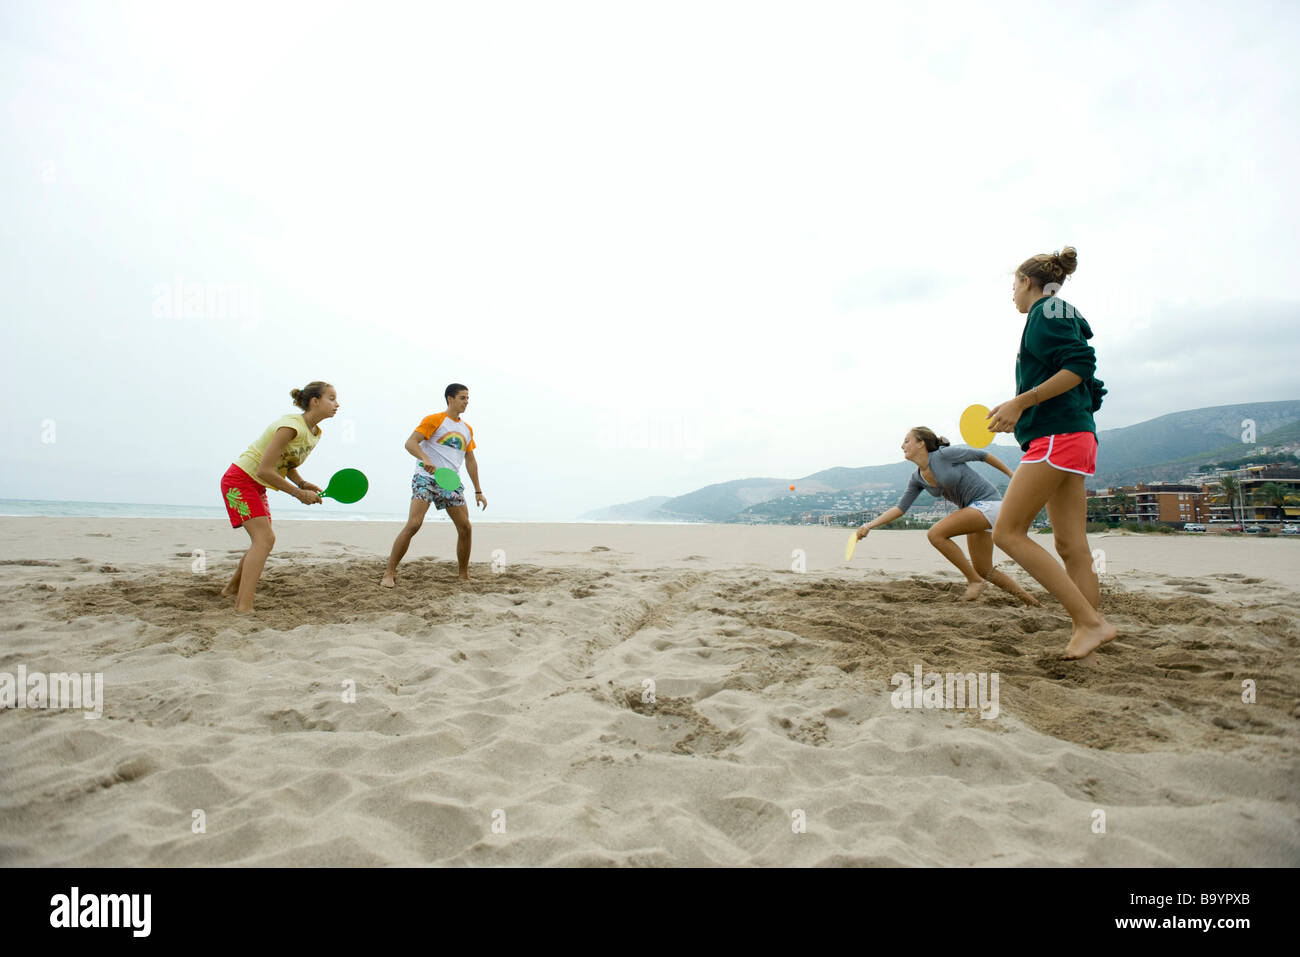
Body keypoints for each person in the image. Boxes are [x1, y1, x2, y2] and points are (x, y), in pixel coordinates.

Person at [987, 245, 1115, 660]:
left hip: (1059, 438)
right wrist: (1023, 408)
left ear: (1027, 282)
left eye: (1013, 286)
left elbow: (1080, 366)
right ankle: (1088, 630)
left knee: (1007, 533)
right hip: (1074, 436)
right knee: (1071, 545)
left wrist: (1022, 403)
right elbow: (1085, 383)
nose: (1011, 296)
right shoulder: (1063, 314)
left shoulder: (1045, 313)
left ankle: (1089, 623)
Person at [856, 428, 1039, 605]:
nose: (902, 446)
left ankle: (974, 581)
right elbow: (900, 508)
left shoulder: (944, 455)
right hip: (975, 512)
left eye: (907, 441)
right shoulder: (917, 478)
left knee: (935, 534)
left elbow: (983, 455)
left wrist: (1011, 474)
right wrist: (869, 525)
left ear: (921, 443)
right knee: (984, 569)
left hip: (989, 504)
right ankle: (1032, 603)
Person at [219, 382, 336, 612]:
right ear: (315, 401)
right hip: (239, 481)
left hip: (258, 486)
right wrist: (298, 493)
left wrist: (301, 482)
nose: (337, 404)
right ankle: (243, 606)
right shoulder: (290, 427)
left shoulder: (314, 433)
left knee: (261, 541)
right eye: (331, 398)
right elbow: (264, 469)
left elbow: (286, 463)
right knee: (265, 540)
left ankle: (232, 590)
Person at [381, 383, 487, 586]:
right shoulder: (434, 420)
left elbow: (470, 460)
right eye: (462, 398)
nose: (466, 402)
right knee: (414, 524)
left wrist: (478, 491)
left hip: (450, 482)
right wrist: (425, 458)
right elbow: (410, 443)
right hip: (425, 478)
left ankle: (463, 576)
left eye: (468, 398)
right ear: (450, 399)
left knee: (465, 528)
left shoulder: (467, 429)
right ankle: (389, 573)